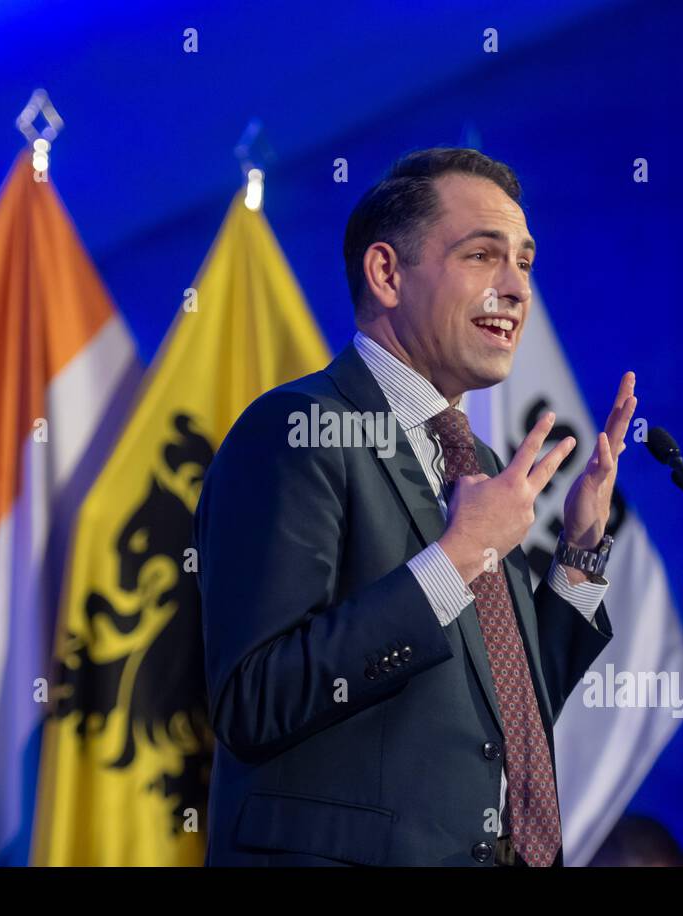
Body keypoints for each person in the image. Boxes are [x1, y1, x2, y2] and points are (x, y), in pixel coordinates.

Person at [195, 147, 637, 866]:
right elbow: (255, 699)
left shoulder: (482, 470)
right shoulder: (296, 430)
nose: (517, 288)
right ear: (386, 273)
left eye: (525, 262)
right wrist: (457, 557)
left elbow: (504, 718)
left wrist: (581, 556)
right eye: (482, 256)